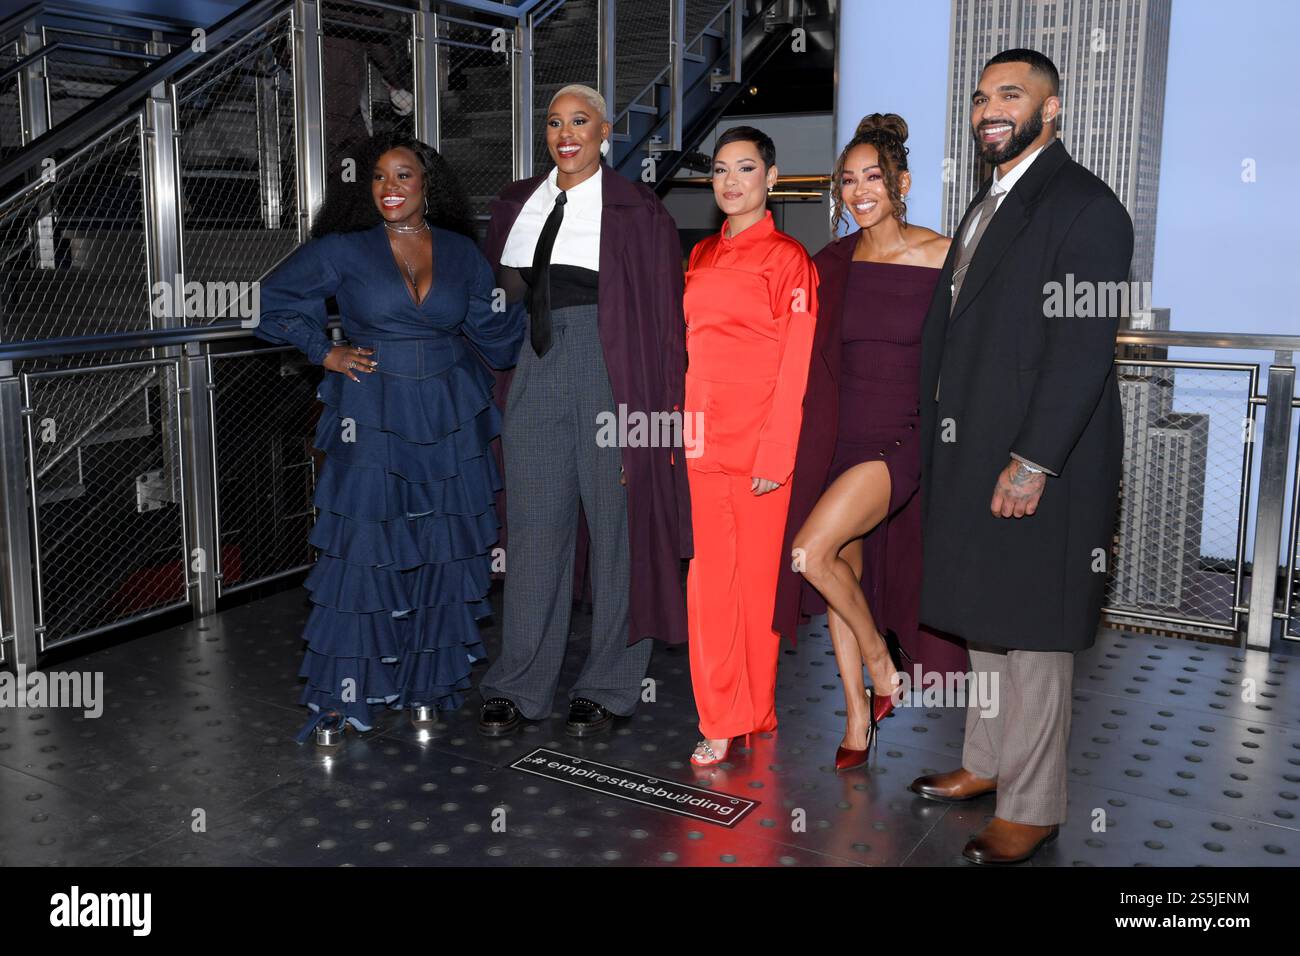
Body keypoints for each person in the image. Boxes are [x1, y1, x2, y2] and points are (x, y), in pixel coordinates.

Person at [909, 49, 1133, 864]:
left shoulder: (1088, 206)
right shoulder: (990, 200)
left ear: (1054, 107)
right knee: (988, 619)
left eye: (1010, 94)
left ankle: (1033, 806)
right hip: (974, 448)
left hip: (1042, 461)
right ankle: (987, 763)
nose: (988, 109)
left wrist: (1034, 460)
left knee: (1034, 632)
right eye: (979, 97)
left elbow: (1083, 350)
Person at [251, 134, 524, 746]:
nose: (390, 187)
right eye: (378, 177)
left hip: (449, 415)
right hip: (370, 412)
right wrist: (324, 350)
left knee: (441, 548)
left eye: (403, 174)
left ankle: (428, 686)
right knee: (363, 551)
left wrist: (542, 295)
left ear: (429, 184)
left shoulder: (461, 252)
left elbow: (496, 333)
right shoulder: (343, 250)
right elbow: (266, 301)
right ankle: (343, 700)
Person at [475, 85, 691, 738]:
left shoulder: (638, 210)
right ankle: (519, 686)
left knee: (618, 533)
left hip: (613, 369)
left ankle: (609, 687)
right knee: (533, 530)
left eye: (580, 121)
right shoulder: (517, 202)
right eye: (553, 122)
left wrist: (653, 423)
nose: (565, 133)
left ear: (605, 132)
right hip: (535, 371)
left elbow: (664, 326)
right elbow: (498, 300)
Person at [778, 113, 964, 774]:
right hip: (839, 437)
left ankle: (884, 669)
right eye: (847, 180)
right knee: (839, 571)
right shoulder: (833, 262)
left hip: (904, 438)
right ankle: (858, 718)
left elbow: (970, 354)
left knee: (810, 552)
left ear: (902, 182)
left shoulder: (945, 255)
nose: (859, 191)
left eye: (873, 178)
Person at [683, 126, 818, 767]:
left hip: (763, 443)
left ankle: (756, 707)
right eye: (719, 170)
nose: (730, 181)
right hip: (701, 439)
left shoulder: (791, 259)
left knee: (759, 591)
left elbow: (796, 367)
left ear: (770, 177)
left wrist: (776, 453)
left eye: (744, 168)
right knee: (711, 585)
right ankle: (721, 716)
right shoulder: (702, 254)